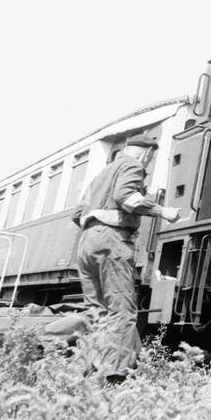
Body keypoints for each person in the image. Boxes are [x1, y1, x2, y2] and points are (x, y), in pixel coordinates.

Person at [74, 135, 182, 381]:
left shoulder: (103, 172)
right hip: (112, 241)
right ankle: (115, 374)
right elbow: (127, 197)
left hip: (86, 242)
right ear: (146, 154)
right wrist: (162, 210)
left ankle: (87, 369)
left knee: (96, 310)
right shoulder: (133, 166)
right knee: (122, 311)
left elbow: (77, 213)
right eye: (151, 158)